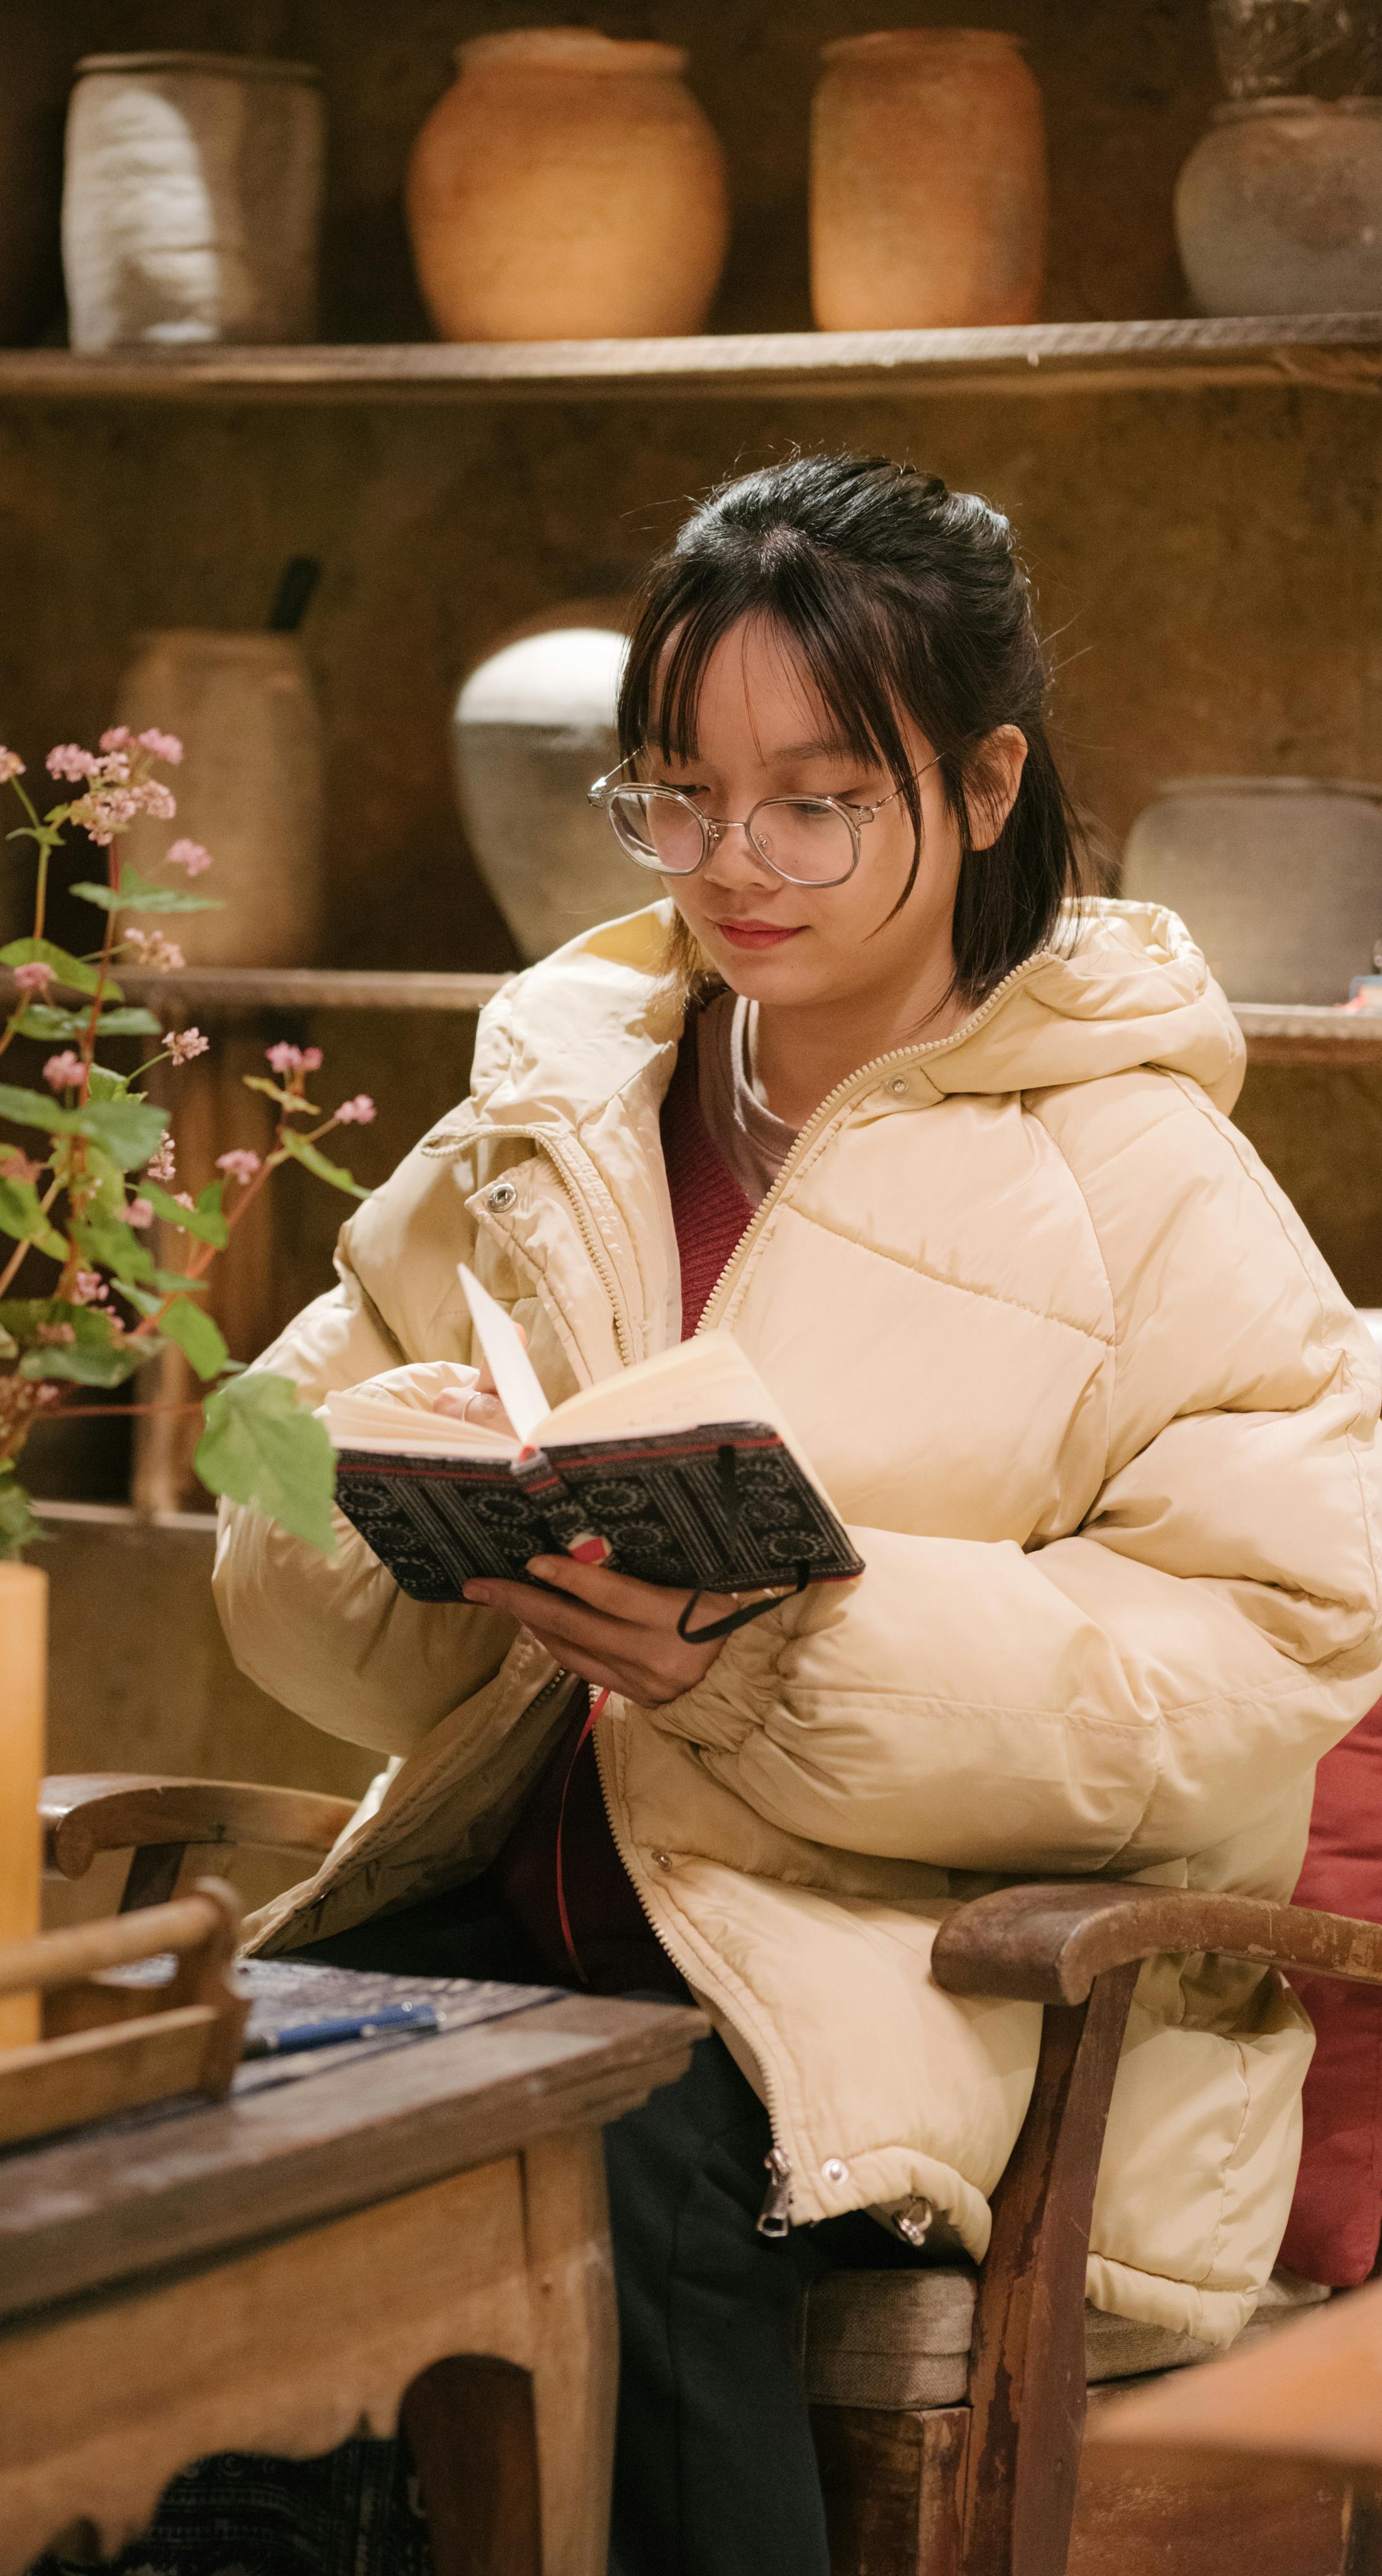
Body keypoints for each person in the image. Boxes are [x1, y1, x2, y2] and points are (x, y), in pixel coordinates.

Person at [213, 448, 1382, 2575]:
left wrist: (778, 1655)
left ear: (988, 783)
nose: (731, 865)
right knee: (203, 2130)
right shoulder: (562, 1100)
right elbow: (264, 1457)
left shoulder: (1146, 1179)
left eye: (817, 802)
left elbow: (1260, 1651)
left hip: (911, 1986)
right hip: (522, 1898)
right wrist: (383, 1471)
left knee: (610, 2162)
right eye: (676, 796)